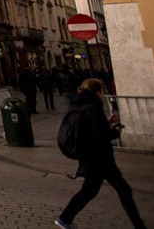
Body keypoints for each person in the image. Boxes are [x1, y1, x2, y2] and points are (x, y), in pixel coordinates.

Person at [55, 78, 147, 229]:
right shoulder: (94, 108)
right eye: (103, 91)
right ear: (98, 92)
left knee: (89, 192)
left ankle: (65, 218)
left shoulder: (80, 104)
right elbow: (100, 135)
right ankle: (139, 225)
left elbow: (89, 129)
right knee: (123, 189)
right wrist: (115, 132)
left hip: (91, 157)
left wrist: (106, 122)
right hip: (100, 158)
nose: (104, 94)